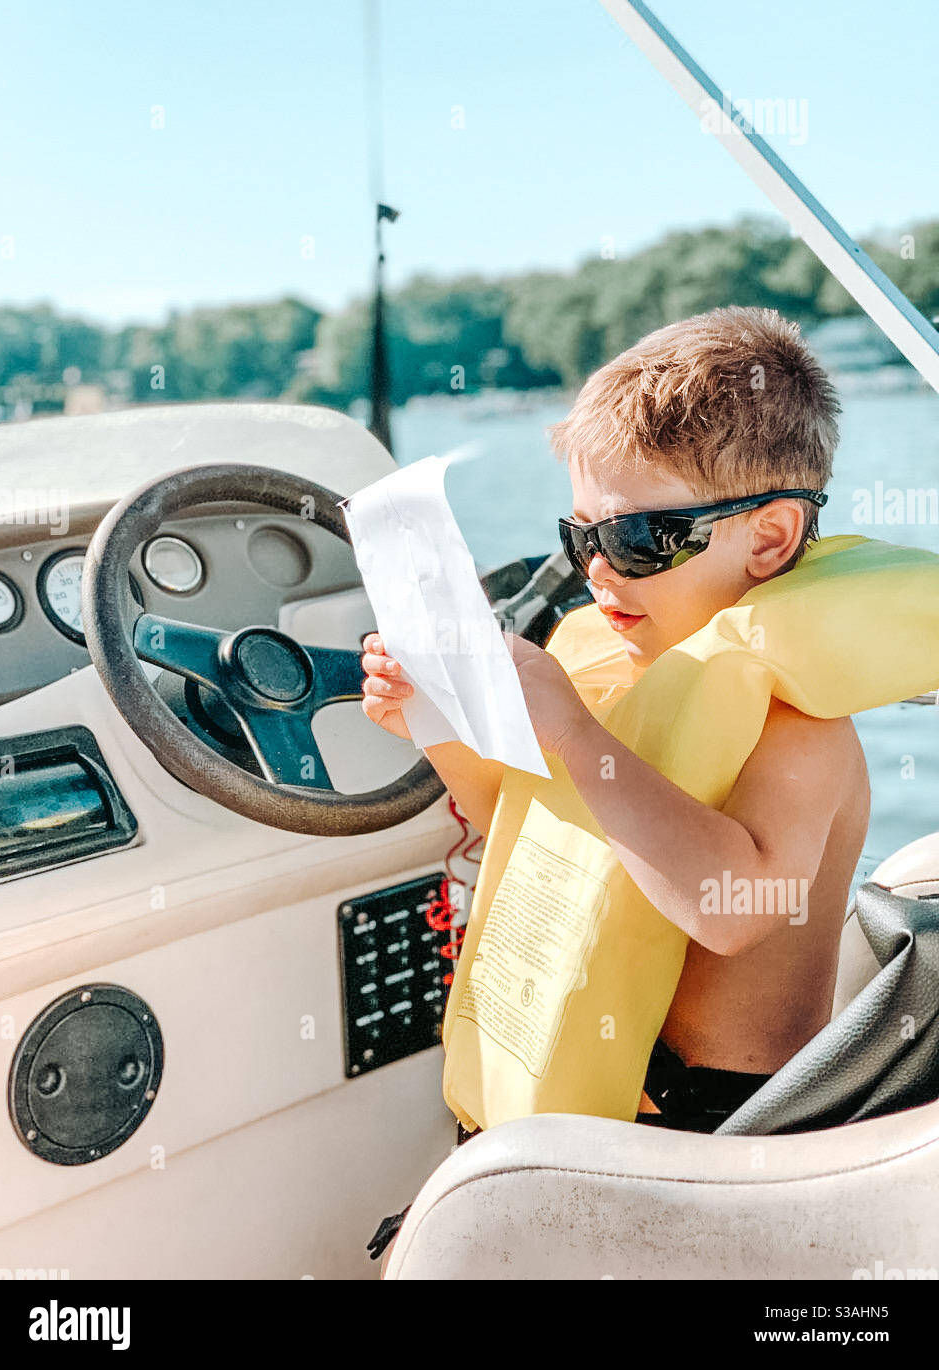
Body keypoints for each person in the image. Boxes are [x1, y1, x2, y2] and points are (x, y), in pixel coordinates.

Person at [361, 307, 870, 1269]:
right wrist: (432, 725)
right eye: (581, 533)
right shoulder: (609, 671)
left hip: (713, 1147)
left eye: (640, 539)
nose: (597, 571)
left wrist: (566, 725)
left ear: (768, 539)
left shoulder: (803, 728)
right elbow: (520, 816)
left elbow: (734, 908)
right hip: (587, 1123)